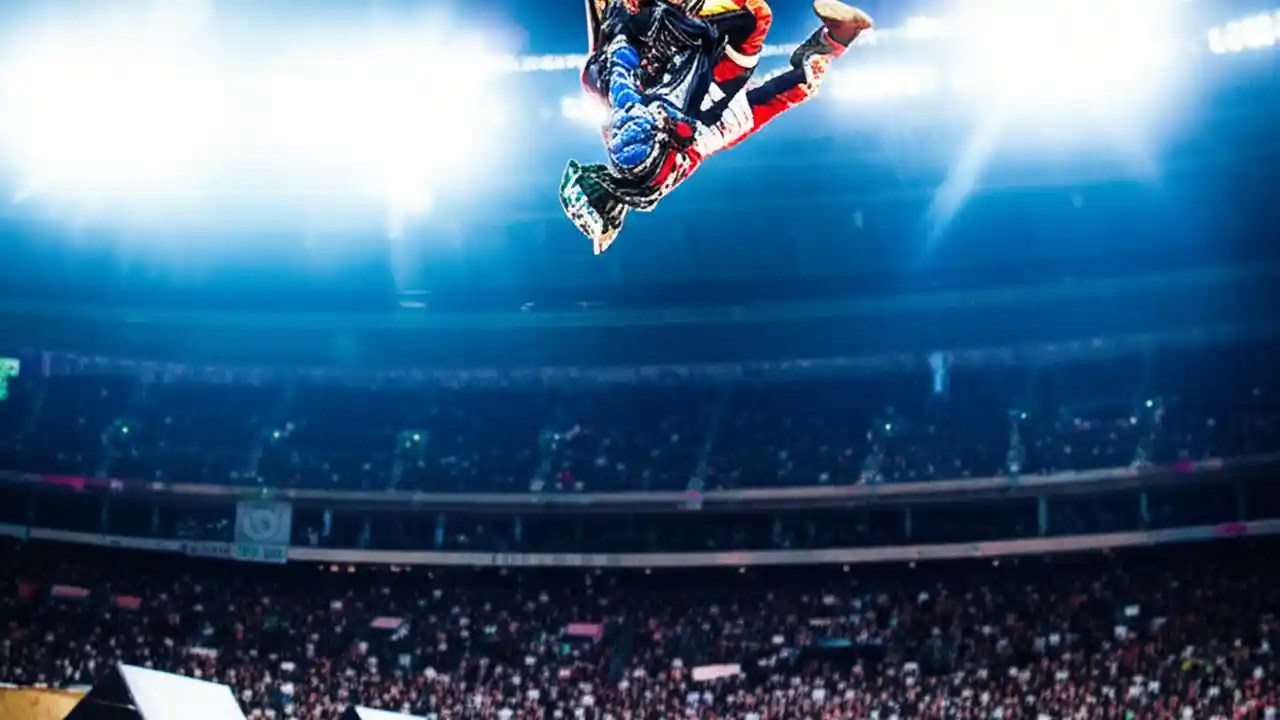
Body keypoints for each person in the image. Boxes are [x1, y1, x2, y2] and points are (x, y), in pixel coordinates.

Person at [562, 0, 873, 254]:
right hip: (694, 49)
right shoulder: (637, 161)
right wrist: (619, 39)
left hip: (710, 64)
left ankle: (837, 37)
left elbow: (751, 111)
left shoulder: (655, 174)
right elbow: (621, 83)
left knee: (757, 22)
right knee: (753, 20)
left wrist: (832, 43)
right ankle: (835, 39)